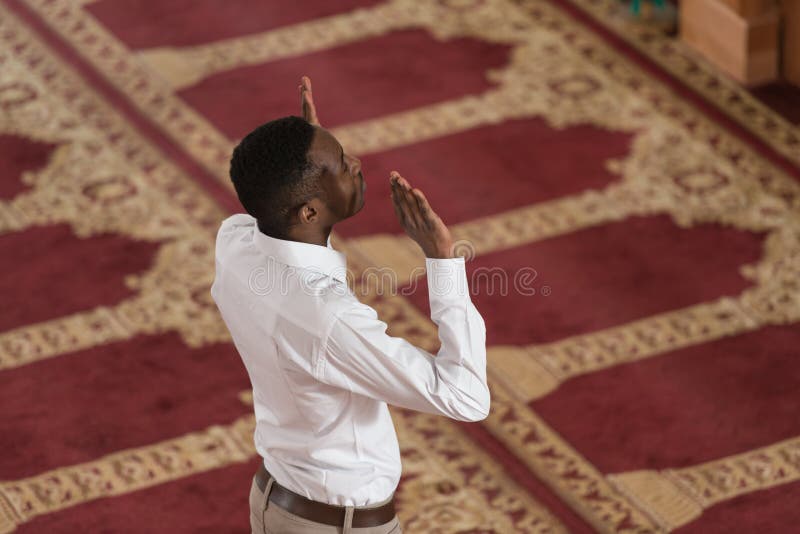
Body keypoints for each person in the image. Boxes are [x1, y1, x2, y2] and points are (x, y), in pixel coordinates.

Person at [211, 76, 490, 534]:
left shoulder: (235, 243)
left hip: (275, 504)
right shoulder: (329, 320)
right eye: (341, 165)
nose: (356, 163)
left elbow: (285, 224)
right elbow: (466, 397)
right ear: (308, 213)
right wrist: (442, 262)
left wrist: (311, 163)